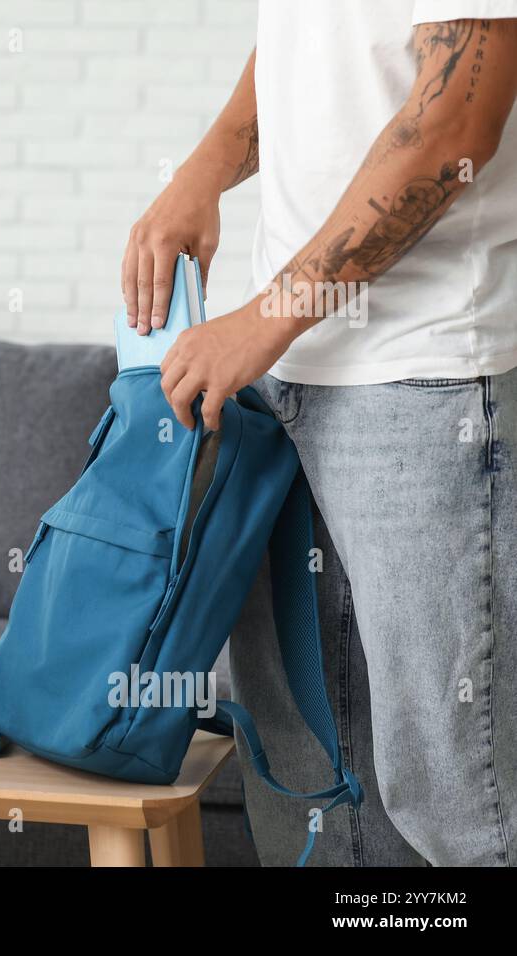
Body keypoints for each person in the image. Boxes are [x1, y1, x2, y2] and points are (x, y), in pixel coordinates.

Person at [123, 6, 517, 865]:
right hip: (286, 377)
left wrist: (266, 319)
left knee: (462, 804)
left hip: (423, 373)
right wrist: (205, 169)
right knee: (310, 792)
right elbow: (312, 54)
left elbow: (458, 118)